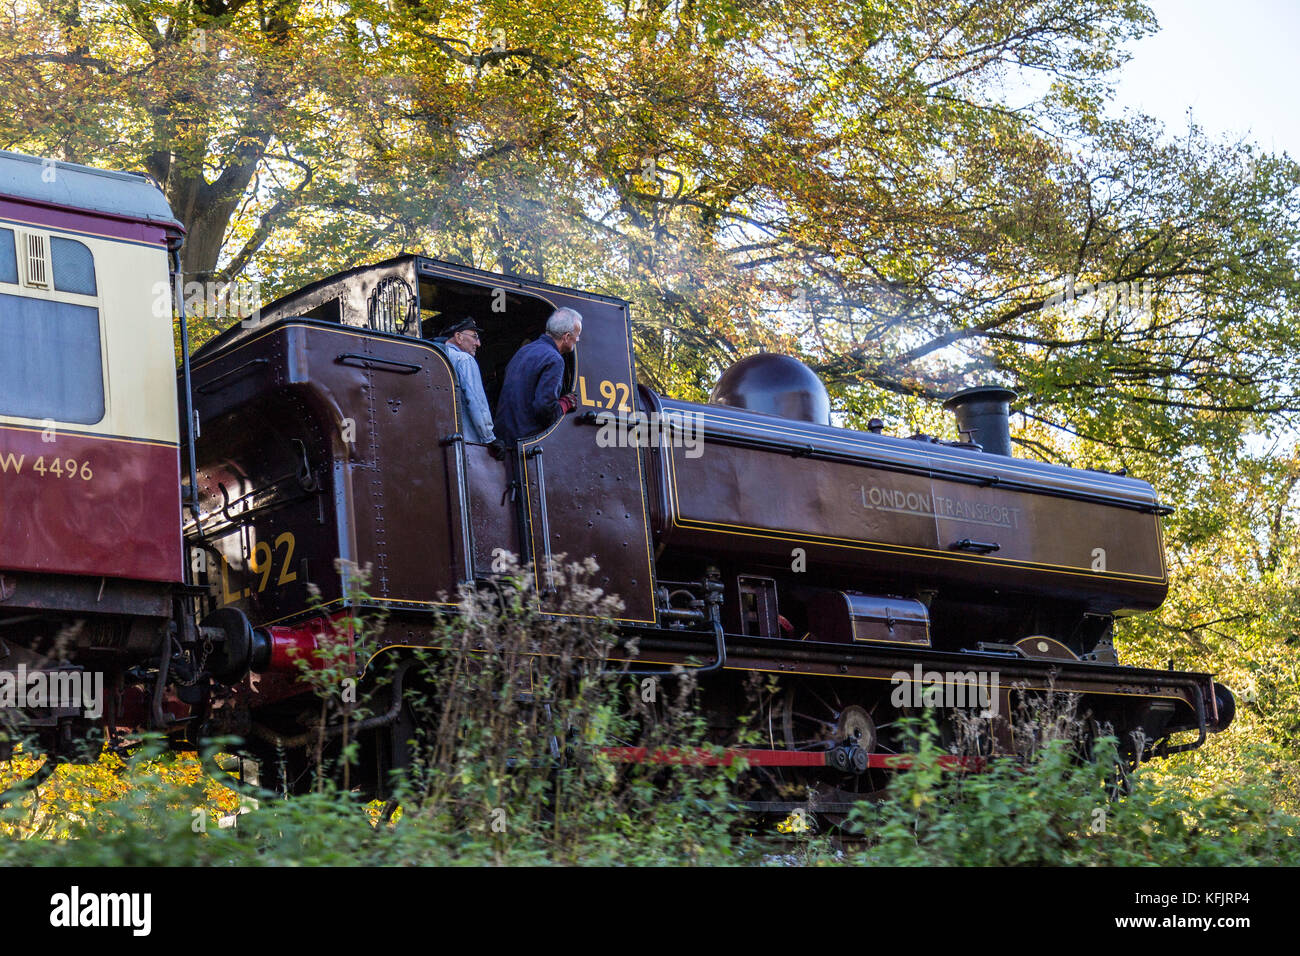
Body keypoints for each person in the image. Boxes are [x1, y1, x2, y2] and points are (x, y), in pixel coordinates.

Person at [494, 307, 582, 444]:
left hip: (503, 438)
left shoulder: (523, 351)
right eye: (577, 335)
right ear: (566, 337)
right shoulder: (555, 360)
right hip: (526, 442)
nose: (578, 339)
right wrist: (565, 404)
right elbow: (544, 409)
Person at [435, 317, 507, 459]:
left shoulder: (437, 358)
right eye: (474, 337)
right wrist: (490, 438)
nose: (478, 343)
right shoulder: (465, 360)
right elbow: (476, 402)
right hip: (469, 445)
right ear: (458, 337)